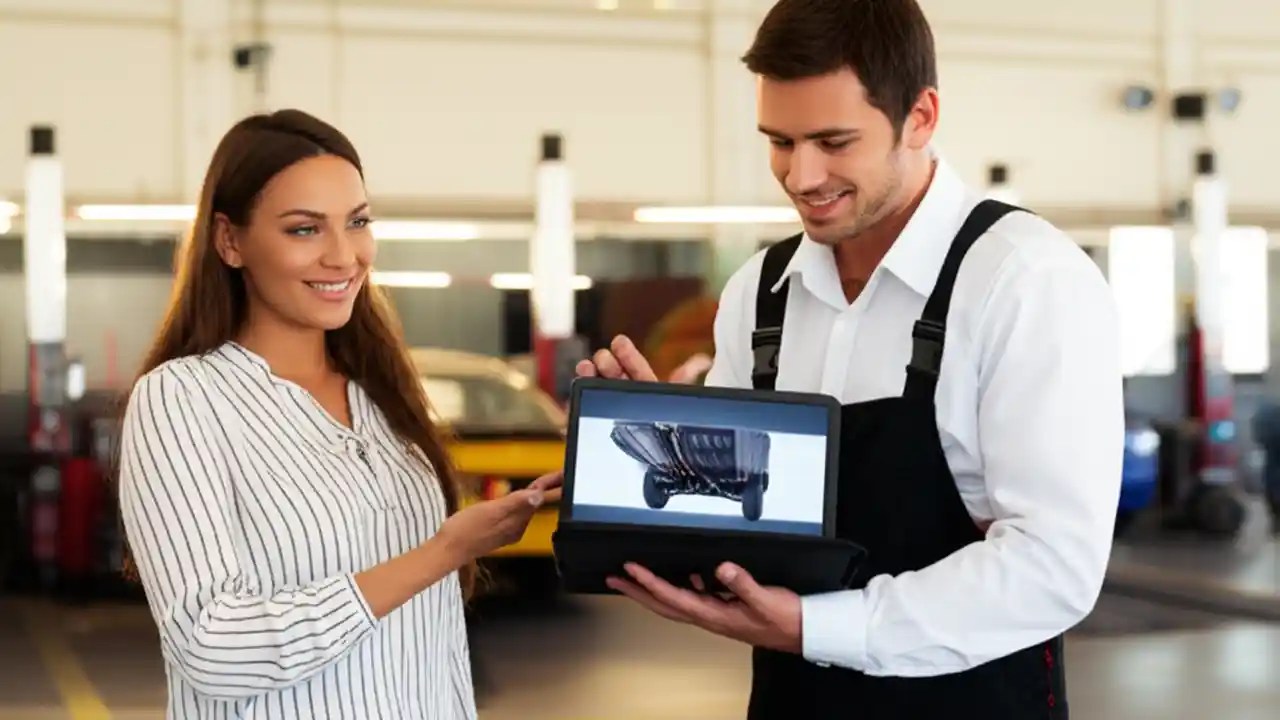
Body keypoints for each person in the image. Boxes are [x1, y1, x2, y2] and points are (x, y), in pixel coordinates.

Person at [576, 0, 1123, 717]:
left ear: (921, 117)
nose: (802, 176)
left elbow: (1054, 568)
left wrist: (814, 626)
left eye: (834, 141)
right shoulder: (759, 292)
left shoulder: (1024, 280)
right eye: (780, 141)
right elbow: (748, 528)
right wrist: (671, 456)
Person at [115, 109, 561, 720]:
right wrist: (441, 552)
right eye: (305, 229)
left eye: (357, 222)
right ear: (230, 240)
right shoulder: (183, 399)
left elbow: (434, 647)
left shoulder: (383, 399)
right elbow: (211, 646)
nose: (344, 255)